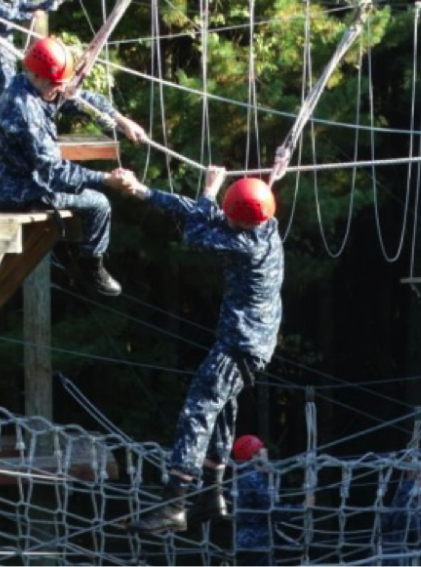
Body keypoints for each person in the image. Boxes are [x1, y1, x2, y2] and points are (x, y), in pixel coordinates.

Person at [113, 166, 285, 533]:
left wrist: (210, 189)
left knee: (198, 410)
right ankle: (211, 494)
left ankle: (175, 502)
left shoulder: (245, 245)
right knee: (220, 412)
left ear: (240, 220)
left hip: (239, 345)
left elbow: (194, 232)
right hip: (252, 345)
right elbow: (198, 212)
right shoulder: (266, 227)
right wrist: (142, 191)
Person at [0, 36, 146, 296]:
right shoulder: (26, 111)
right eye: (55, 85)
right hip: (6, 189)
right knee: (99, 204)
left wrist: (121, 120)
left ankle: (86, 259)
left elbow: (79, 99)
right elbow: (54, 173)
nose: (58, 90)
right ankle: (91, 268)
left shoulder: (32, 84)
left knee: (90, 196)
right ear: (37, 75)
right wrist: (106, 179)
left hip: (2, 173)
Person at [0, 0, 62, 142]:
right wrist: (30, 16)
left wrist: (50, 2)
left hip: (4, 49)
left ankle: (5, 128)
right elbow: (8, 14)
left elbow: (31, 5)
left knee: (6, 89)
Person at [231, 434, 313, 567]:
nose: (266, 450)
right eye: (262, 448)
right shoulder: (253, 478)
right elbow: (271, 511)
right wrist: (301, 507)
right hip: (256, 542)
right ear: (254, 455)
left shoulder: (242, 476)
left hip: (246, 540)